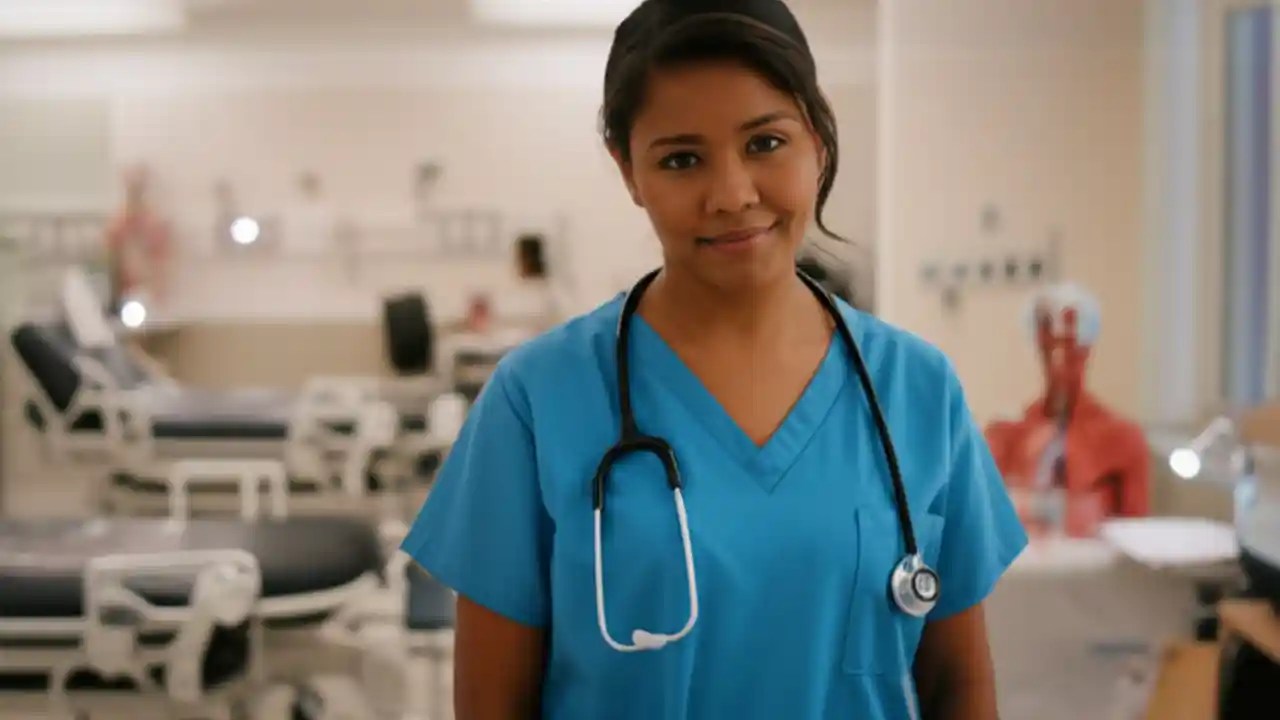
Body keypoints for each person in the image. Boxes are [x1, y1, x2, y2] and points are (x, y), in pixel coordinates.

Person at [400, 1, 1027, 718]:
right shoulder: (538, 398)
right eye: (681, 159)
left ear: (819, 139)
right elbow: (490, 707)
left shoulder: (916, 391)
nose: (732, 195)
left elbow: (960, 689)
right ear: (629, 172)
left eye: (765, 144)